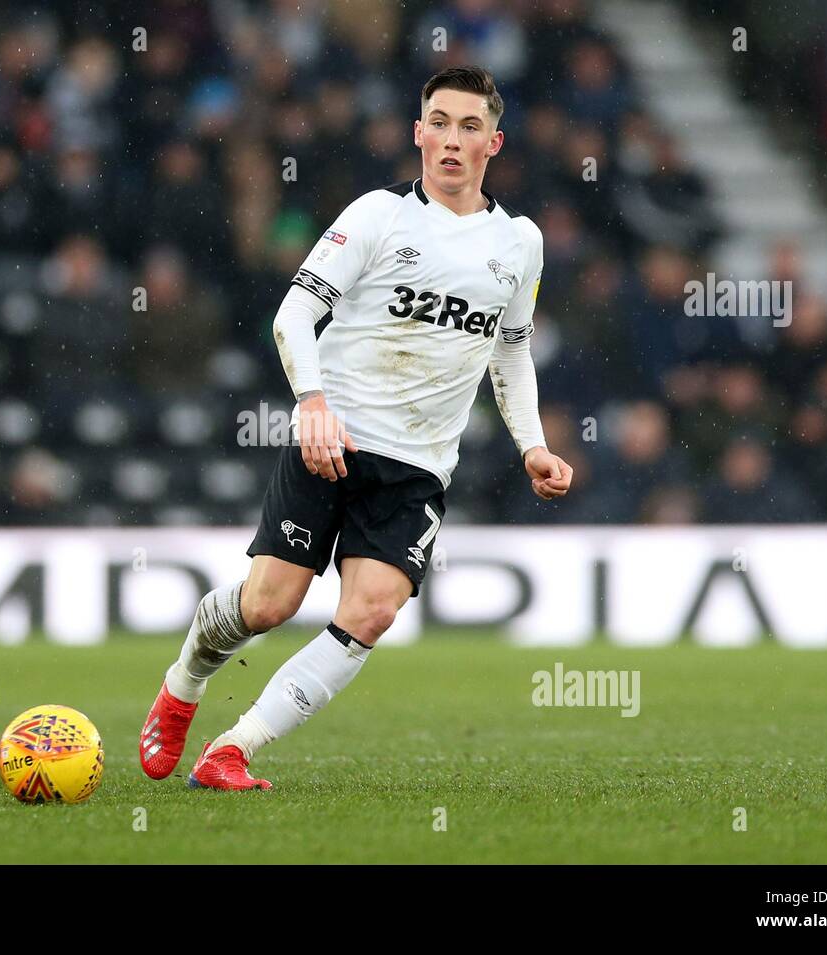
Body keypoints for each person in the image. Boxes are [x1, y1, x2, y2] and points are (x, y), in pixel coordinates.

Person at [140, 66, 574, 790]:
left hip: (419, 467)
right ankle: (182, 683)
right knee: (267, 604)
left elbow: (512, 347)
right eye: (438, 121)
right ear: (417, 131)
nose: (451, 140)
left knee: (371, 612)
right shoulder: (378, 215)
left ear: (494, 143)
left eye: (470, 127)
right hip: (331, 439)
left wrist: (531, 443)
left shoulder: (521, 243)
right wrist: (312, 402)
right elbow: (293, 315)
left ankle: (233, 749)